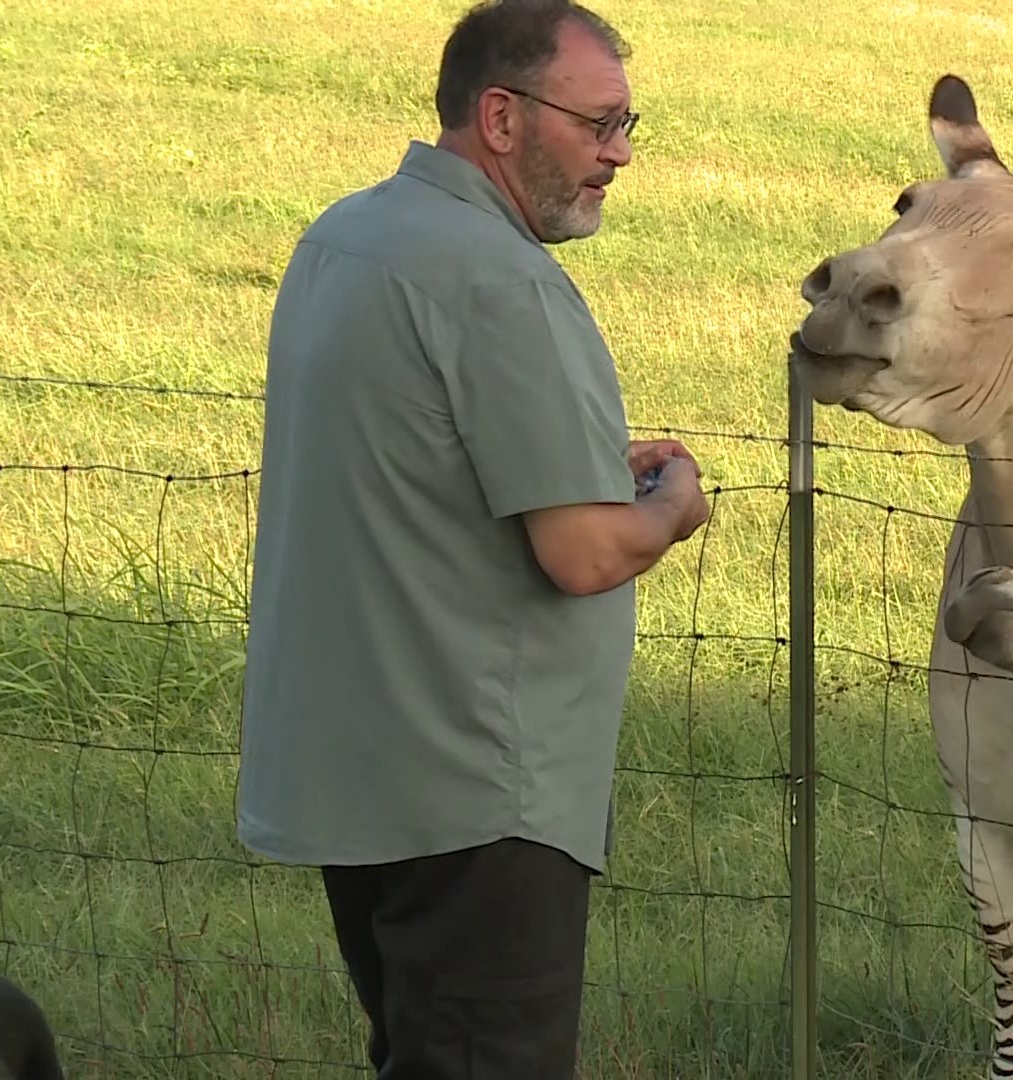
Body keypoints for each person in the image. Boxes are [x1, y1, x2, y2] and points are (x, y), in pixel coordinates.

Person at [235, 1, 708, 1076]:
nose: (620, 152)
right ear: (502, 116)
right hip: (481, 799)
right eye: (597, 124)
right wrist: (668, 508)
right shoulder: (504, 282)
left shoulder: (346, 237)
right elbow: (584, 554)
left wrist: (576, 467)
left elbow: (413, 463)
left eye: (630, 122)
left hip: (361, 774)